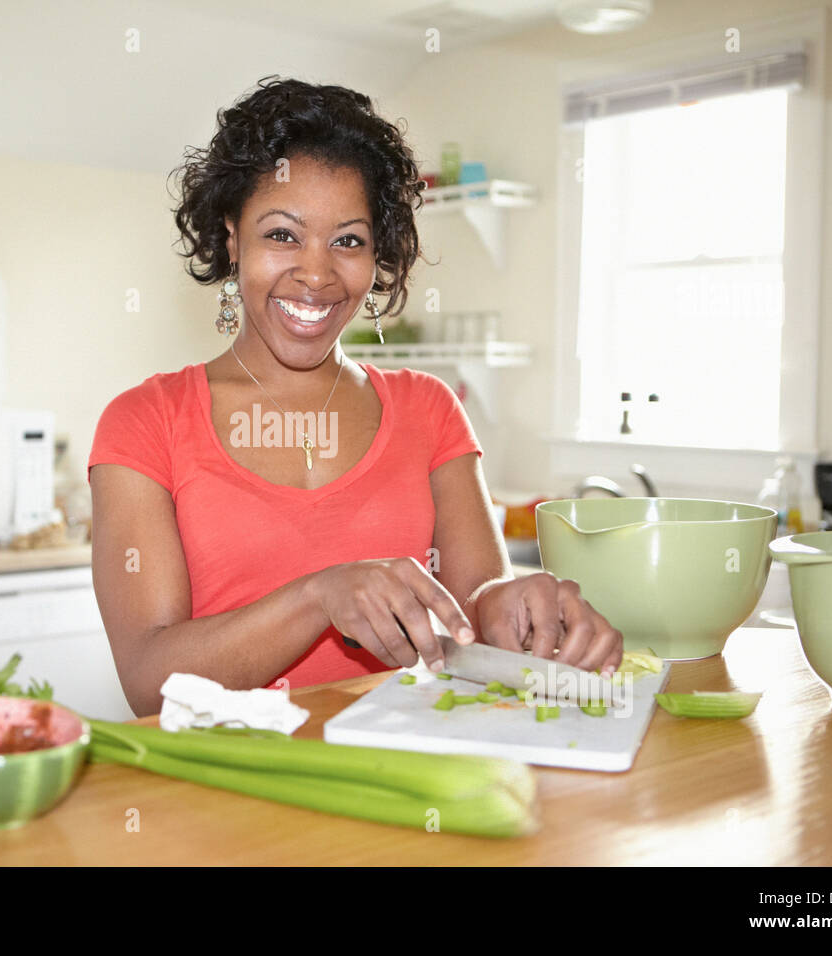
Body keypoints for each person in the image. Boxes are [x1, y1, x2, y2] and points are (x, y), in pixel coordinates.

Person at [89, 76, 622, 717]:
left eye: (348, 240)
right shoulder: (146, 423)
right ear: (232, 237)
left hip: (404, 780)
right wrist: (319, 596)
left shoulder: (429, 410)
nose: (316, 274)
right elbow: (150, 679)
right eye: (282, 234)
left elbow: (476, 606)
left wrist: (521, 609)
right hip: (222, 800)